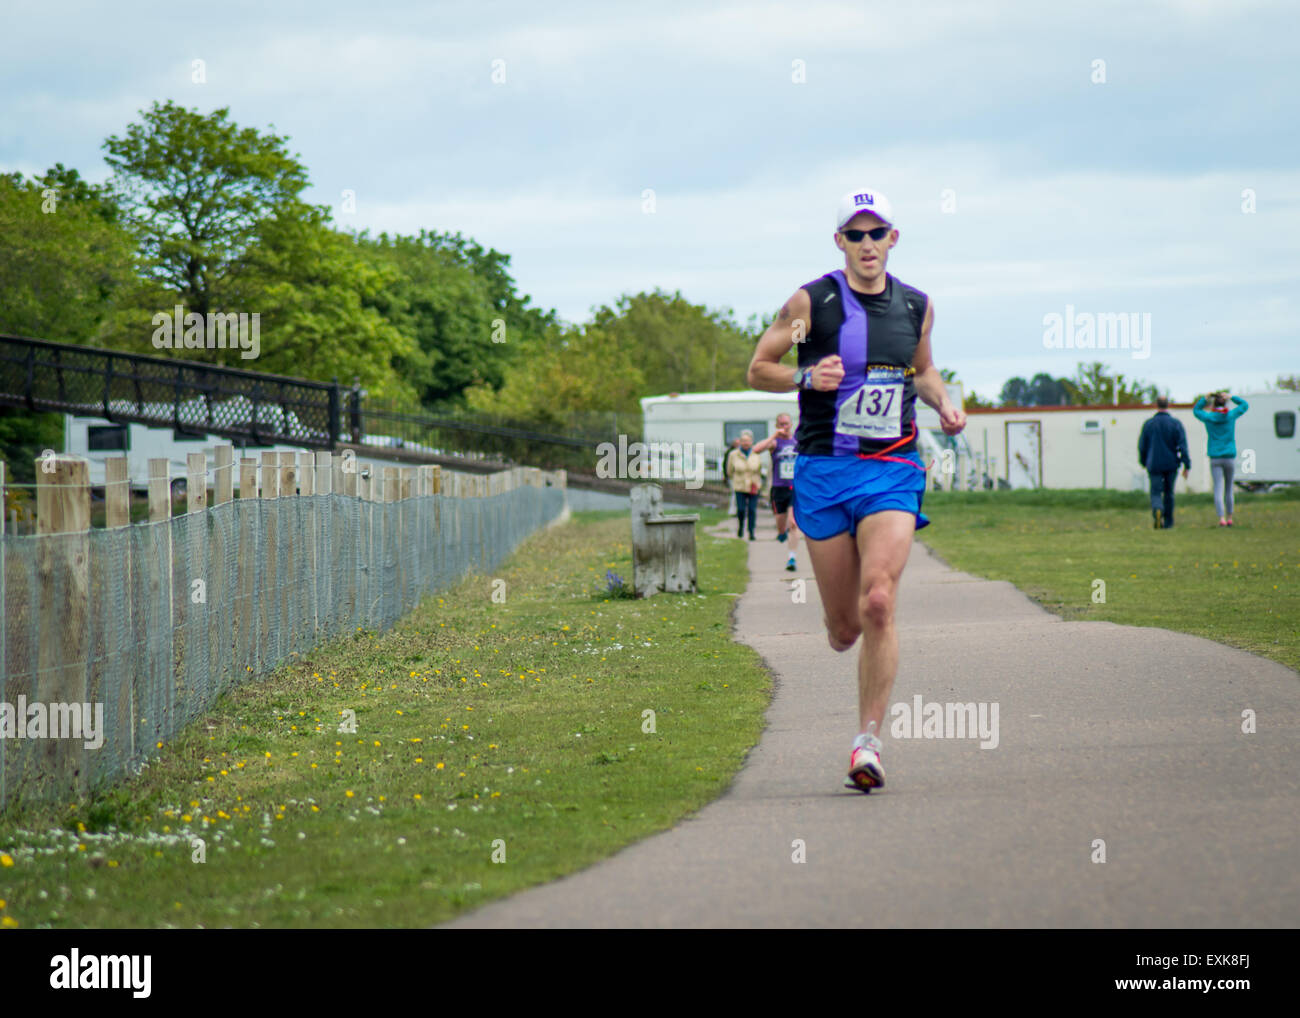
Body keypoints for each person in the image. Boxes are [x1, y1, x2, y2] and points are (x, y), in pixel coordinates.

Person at [747, 187, 966, 793]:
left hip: (892, 468)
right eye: (855, 234)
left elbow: (922, 369)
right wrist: (804, 373)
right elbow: (759, 366)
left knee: (878, 603)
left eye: (877, 233)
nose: (867, 244)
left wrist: (944, 401)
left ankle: (867, 743)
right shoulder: (810, 302)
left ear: (894, 237)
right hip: (822, 472)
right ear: (840, 241)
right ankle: (841, 632)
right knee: (845, 629)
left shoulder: (917, 306)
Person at [752, 412, 801, 570]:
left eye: (786, 424)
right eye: (781, 424)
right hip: (779, 488)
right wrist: (774, 435)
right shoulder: (775, 443)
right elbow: (756, 449)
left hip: (795, 487)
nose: (784, 427)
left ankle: (792, 559)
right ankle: (781, 533)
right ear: (777, 426)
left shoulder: (797, 441)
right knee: (781, 525)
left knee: (793, 523)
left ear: (791, 424)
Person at [1193, 390, 1249, 526]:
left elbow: (1196, 410)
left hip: (1215, 457)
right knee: (1229, 488)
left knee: (1218, 488)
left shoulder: (1209, 418)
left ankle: (1221, 518)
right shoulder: (1230, 416)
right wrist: (1231, 397)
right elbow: (1244, 405)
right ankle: (1230, 517)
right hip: (1229, 456)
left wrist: (1205, 398)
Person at [1138, 396, 1191, 528]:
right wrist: (1186, 464)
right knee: (1169, 492)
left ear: (1156, 405)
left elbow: (1142, 445)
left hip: (1154, 463)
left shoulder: (1149, 424)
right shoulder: (1175, 423)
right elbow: (1182, 445)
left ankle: (1157, 508)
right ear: (1168, 405)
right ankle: (1168, 522)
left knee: (1155, 492)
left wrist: (1144, 461)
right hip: (1171, 463)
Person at [726, 431, 762, 540]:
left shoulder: (756, 454)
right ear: (740, 442)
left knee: (752, 510)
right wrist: (735, 479)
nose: (745, 443)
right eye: (743, 441)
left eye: (748, 441)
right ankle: (741, 527)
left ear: (751, 442)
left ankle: (751, 532)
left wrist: (757, 482)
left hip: (753, 486)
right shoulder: (733, 454)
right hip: (740, 486)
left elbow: (759, 470)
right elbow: (729, 471)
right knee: (741, 509)